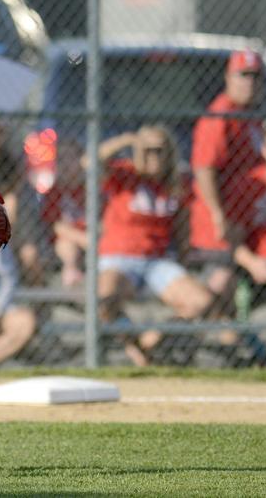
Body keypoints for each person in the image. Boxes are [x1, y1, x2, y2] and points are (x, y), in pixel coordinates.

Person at [93, 126, 213, 367]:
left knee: (202, 302)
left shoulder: (177, 183)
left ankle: (148, 342)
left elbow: (181, 227)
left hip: (157, 261)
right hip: (119, 258)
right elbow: (91, 161)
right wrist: (127, 139)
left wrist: (183, 258)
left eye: (159, 150)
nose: (153, 156)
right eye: (147, 150)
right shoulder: (124, 174)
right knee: (104, 300)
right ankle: (139, 355)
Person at [189, 50, 264, 323]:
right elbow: (204, 168)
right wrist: (217, 213)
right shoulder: (220, 115)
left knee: (231, 290)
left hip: (244, 220)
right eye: (243, 75)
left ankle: (231, 338)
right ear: (228, 77)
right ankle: (170, 337)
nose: (250, 82)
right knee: (218, 288)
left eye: (255, 76)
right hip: (219, 224)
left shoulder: (249, 116)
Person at [230, 119, 266, 367]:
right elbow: (233, 242)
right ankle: (259, 359)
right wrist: (254, 264)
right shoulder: (250, 185)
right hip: (258, 268)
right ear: (264, 150)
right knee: (234, 296)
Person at [41, 139, 87, 288]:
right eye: (61, 159)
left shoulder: (89, 189)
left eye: (70, 158)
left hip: (90, 235)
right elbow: (55, 226)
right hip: (68, 240)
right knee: (66, 244)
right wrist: (83, 239)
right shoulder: (54, 192)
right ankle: (71, 270)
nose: (65, 163)